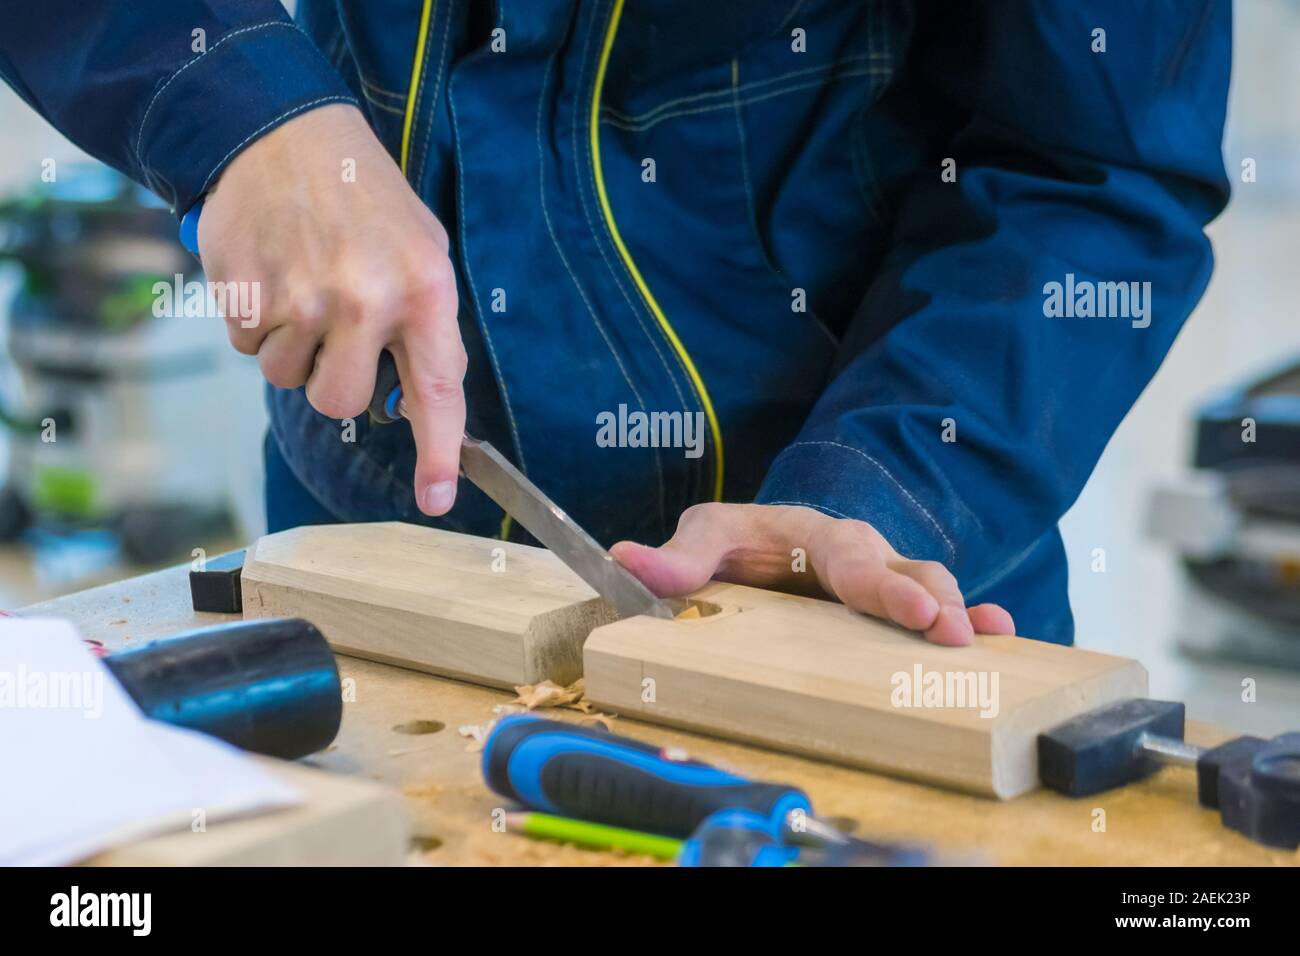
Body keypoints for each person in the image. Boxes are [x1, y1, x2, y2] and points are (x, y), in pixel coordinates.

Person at [0, 1, 1230, 646]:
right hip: (371, 531)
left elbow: (1092, 169)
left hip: (855, 566)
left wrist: (882, 489)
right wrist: (231, 98)